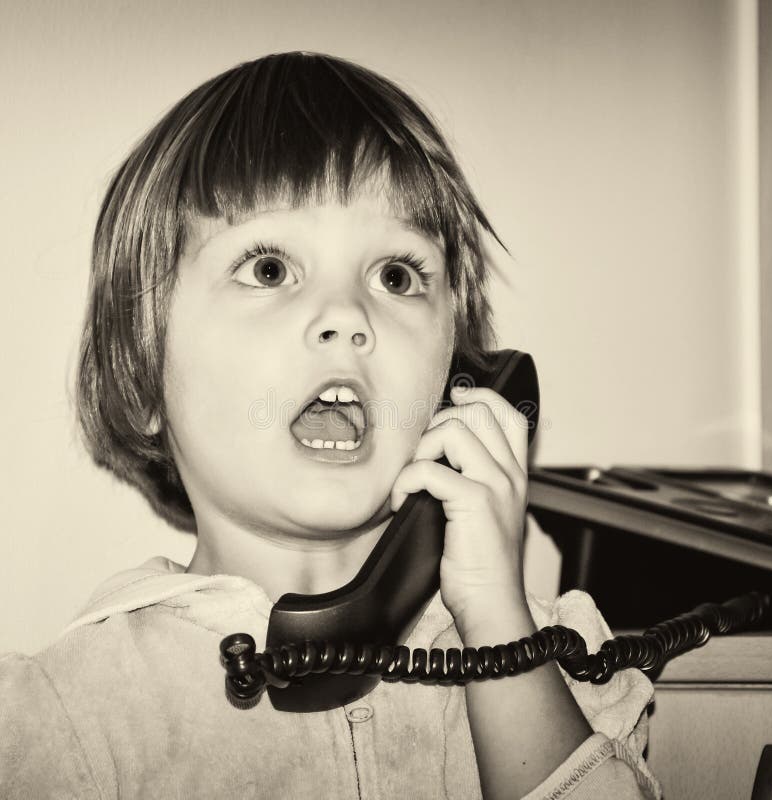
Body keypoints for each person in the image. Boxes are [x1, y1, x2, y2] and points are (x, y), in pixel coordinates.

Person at [0, 52, 661, 799]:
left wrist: (497, 625)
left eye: (396, 276)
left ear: (457, 382)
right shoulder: (68, 716)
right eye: (269, 269)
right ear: (144, 368)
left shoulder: (551, 666)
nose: (347, 316)